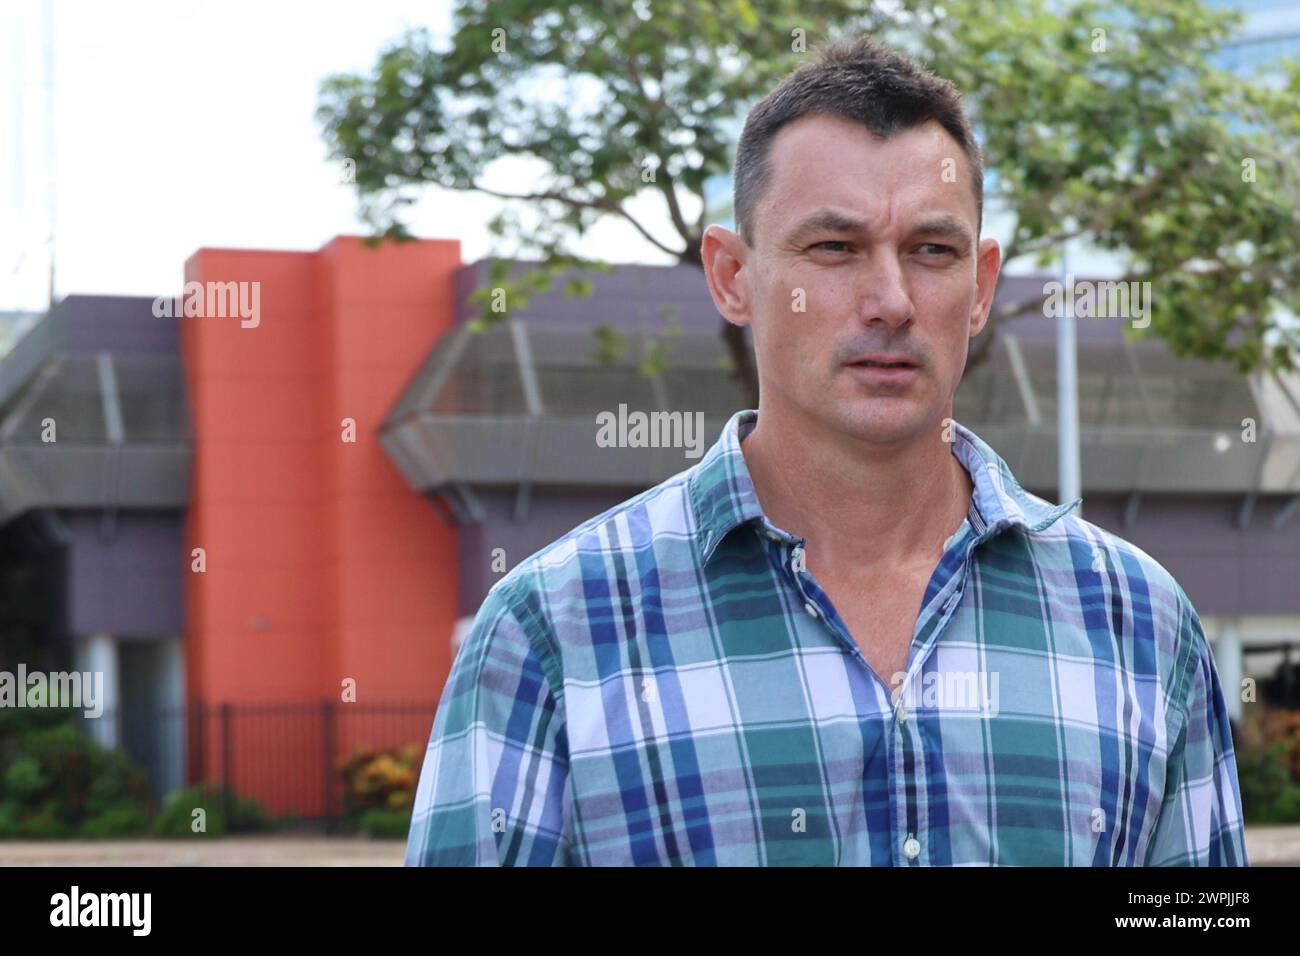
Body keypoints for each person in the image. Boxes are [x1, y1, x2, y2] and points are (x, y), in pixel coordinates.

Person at [405, 35, 1248, 866]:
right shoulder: (553, 634)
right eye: (834, 249)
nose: (890, 301)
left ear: (982, 286)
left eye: (931, 251)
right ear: (732, 276)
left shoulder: (1139, 623)